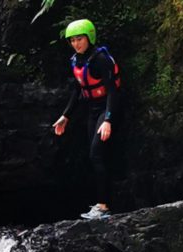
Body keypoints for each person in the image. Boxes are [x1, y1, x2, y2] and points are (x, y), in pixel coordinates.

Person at [52, 19, 121, 220]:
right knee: (96, 156)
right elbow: (78, 90)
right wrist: (66, 116)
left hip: (108, 109)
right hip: (92, 110)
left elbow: (113, 92)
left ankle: (103, 206)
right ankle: (103, 202)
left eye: (79, 39)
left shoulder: (101, 59)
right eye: (72, 40)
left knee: (96, 154)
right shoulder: (76, 60)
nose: (76, 44)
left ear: (89, 37)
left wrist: (108, 119)